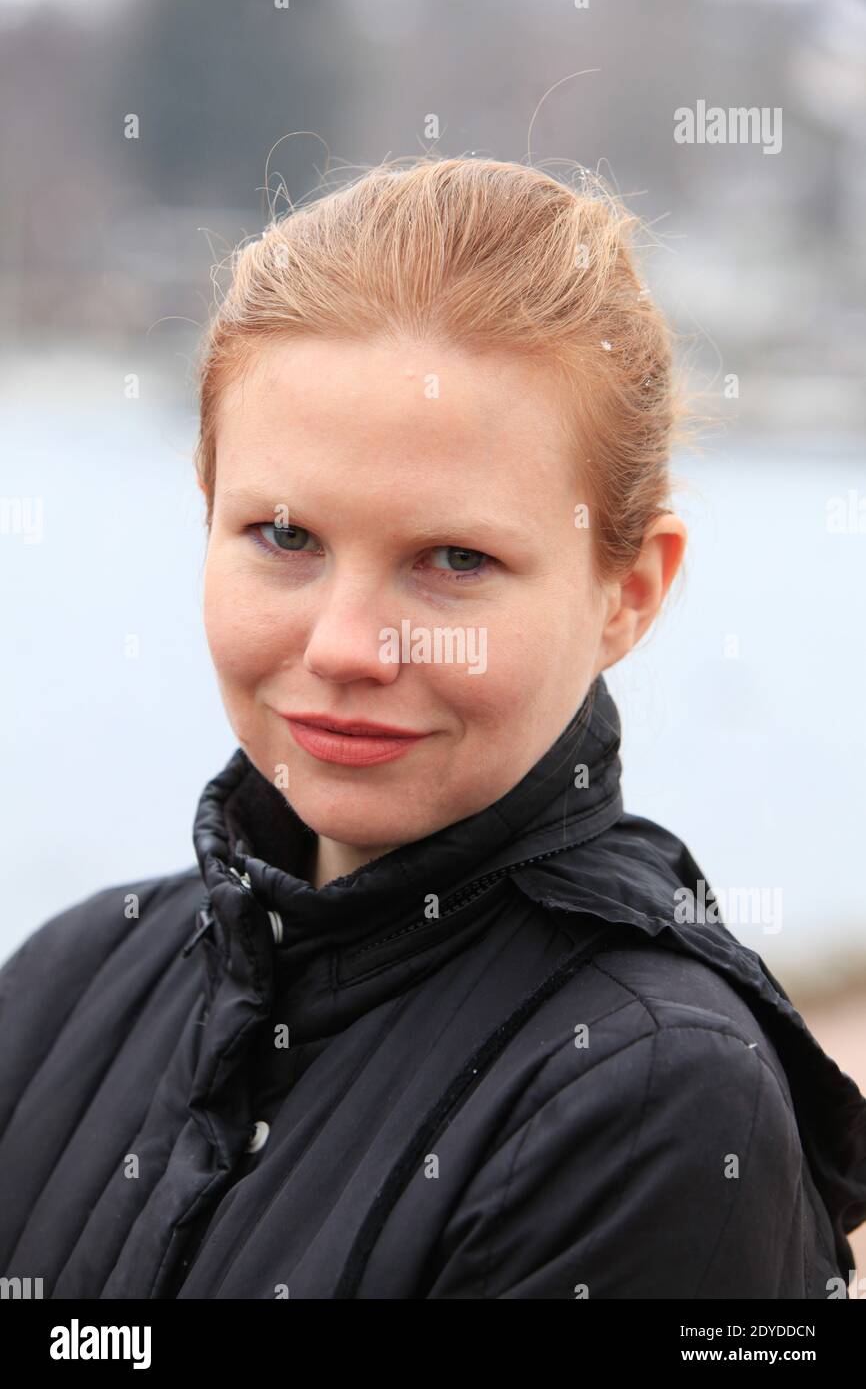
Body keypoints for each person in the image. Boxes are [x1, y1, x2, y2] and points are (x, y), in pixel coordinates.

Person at [1, 156, 864, 1300]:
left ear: (629, 593)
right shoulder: (70, 980)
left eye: (454, 559)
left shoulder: (654, 1100)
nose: (349, 645)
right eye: (285, 536)